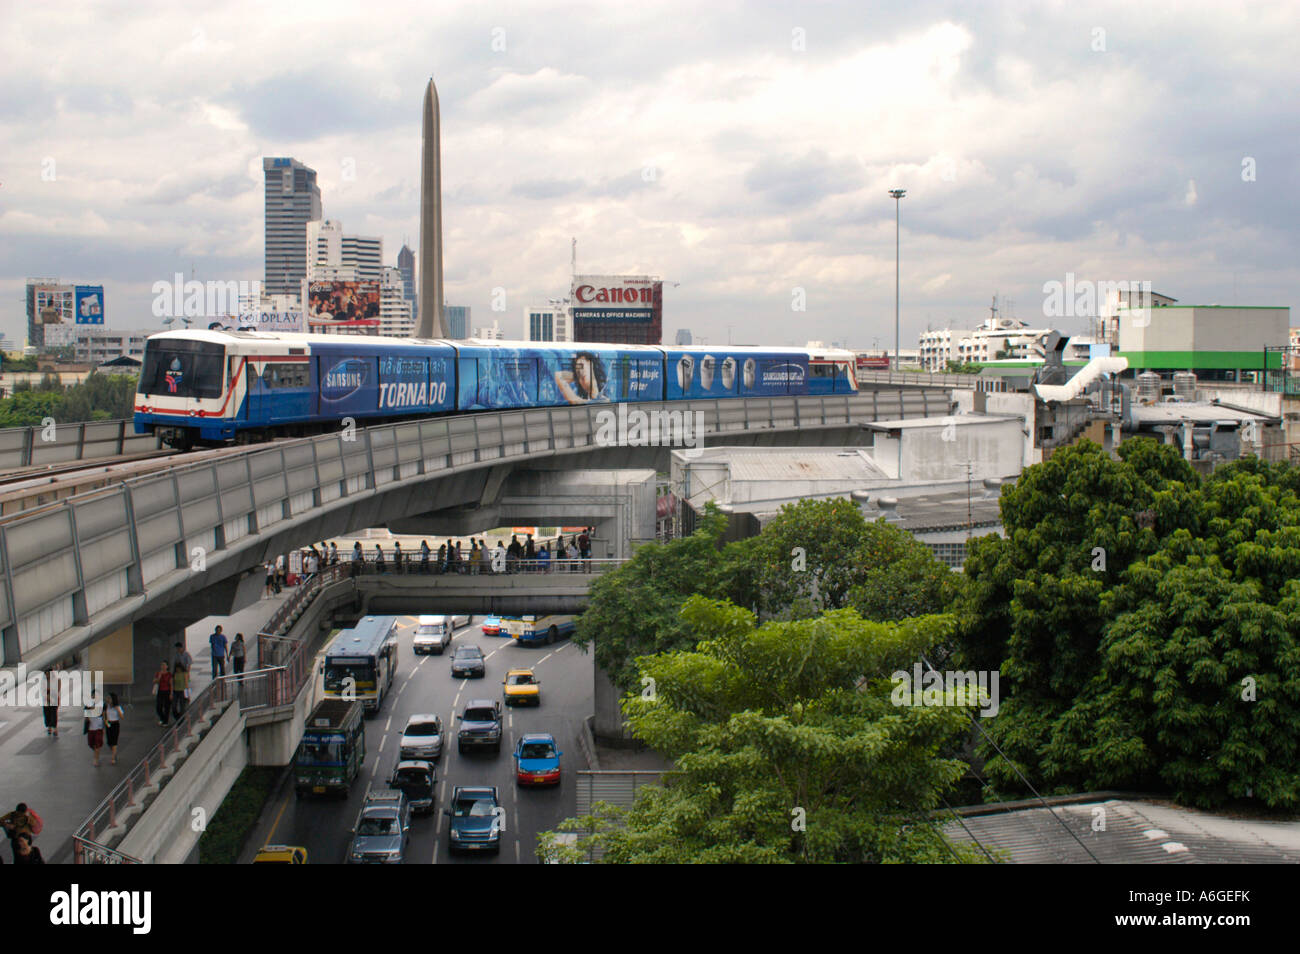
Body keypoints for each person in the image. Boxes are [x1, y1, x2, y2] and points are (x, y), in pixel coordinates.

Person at [84, 694, 105, 767]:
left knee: (97, 744)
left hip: (98, 728)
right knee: (90, 744)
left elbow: (102, 714)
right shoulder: (87, 705)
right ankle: (97, 752)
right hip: (91, 729)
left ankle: (96, 759)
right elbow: (86, 718)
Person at [104, 692, 124, 765]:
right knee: (109, 742)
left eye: (109, 698)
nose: (108, 699)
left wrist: (118, 710)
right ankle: (114, 752)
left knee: (114, 741)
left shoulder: (117, 707)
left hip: (115, 724)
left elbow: (122, 717)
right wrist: (105, 723)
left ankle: (113, 758)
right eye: (108, 698)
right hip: (109, 724)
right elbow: (105, 715)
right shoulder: (107, 706)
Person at [153, 661, 172, 726]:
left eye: (164, 665)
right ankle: (162, 718)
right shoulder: (158, 673)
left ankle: (165, 721)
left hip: (167, 691)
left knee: (167, 707)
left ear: (167, 666)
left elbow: (171, 684)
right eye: (162, 665)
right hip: (160, 691)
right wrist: (159, 677)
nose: (163, 666)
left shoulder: (169, 674)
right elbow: (154, 681)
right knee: (158, 707)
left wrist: (171, 693)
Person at [42, 670, 60, 737]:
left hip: (53, 699)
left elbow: (57, 688)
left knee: (54, 714)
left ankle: (55, 729)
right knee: (47, 714)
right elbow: (42, 690)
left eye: (48, 674)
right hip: (46, 700)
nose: (47, 676)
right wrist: (47, 697)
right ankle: (49, 728)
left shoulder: (54, 680)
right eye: (46, 674)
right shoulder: (43, 681)